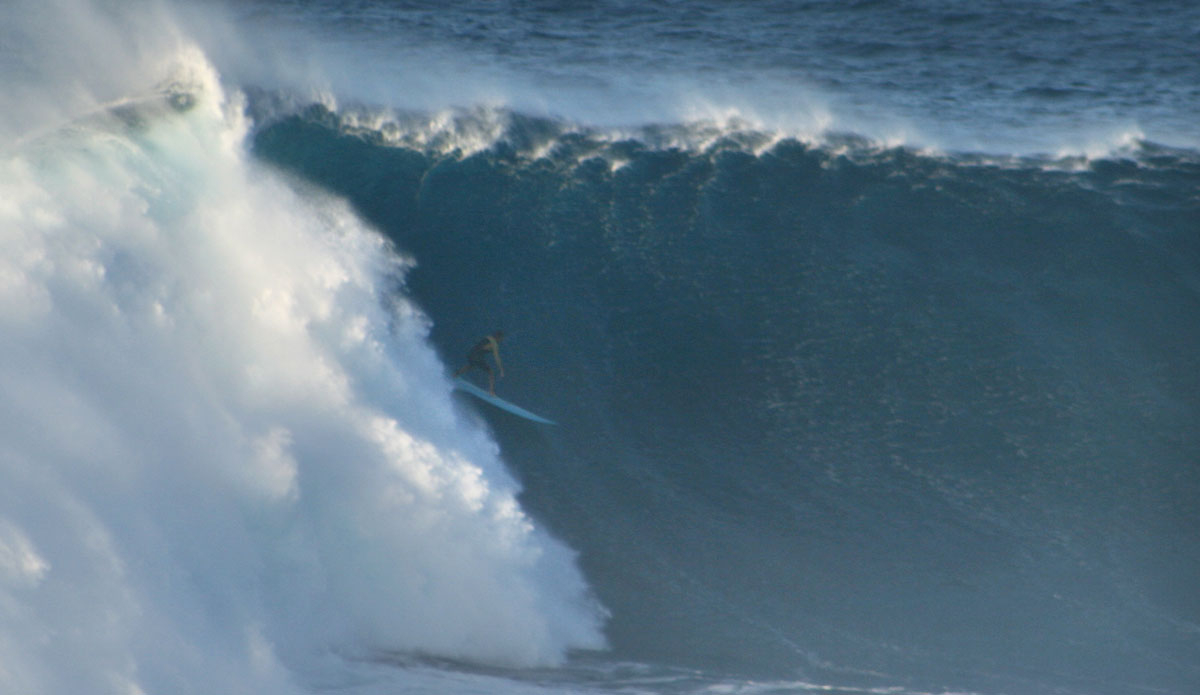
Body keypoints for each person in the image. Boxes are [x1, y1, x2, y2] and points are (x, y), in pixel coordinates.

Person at [454, 331, 505, 395]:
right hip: (477, 357)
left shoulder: (488, 337)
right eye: (501, 339)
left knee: (471, 366)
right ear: (498, 338)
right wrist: (501, 370)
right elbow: (497, 358)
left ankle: (455, 374)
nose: (501, 341)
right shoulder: (494, 344)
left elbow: (481, 346)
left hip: (471, 353)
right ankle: (491, 392)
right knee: (491, 372)